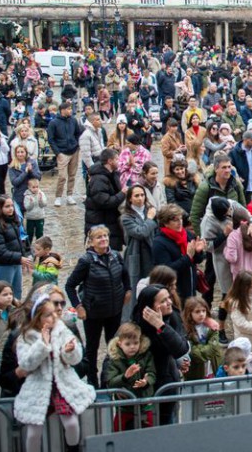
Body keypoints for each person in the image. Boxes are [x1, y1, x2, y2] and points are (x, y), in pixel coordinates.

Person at [13, 294, 96, 452]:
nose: (54, 317)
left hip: (62, 384)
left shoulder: (62, 329)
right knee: (33, 432)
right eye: (48, 315)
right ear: (38, 318)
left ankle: (72, 449)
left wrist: (69, 351)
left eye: (53, 313)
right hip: (38, 386)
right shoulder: (27, 336)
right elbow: (25, 363)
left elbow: (76, 357)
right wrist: (42, 345)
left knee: (71, 424)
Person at [65, 225, 131, 387]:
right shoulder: (86, 261)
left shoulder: (115, 255)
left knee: (113, 345)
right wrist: (79, 306)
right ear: (92, 242)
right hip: (93, 312)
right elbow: (70, 285)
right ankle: (92, 380)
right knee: (92, 348)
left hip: (114, 310)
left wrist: (127, 291)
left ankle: (110, 376)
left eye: (105, 236)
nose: (103, 240)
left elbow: (125, 274)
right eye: (99, 237)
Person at [131, 285, 190, 424]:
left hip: (168, 384)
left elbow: (181, 348)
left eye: (168, 298)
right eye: (163, 301)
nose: (169, 302)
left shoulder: (173, 316)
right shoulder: (136, 326)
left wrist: (161, 325)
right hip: (146, 389)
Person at [103, 322, 157, 431]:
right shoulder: (115, 360)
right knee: (120, 431)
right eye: (128, 344)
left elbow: (151, 373)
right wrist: (125, 376)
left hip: (145, 403)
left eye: (136, 343)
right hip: (124, 407)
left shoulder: (146, 355)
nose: (132, 347)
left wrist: (146, 381)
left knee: (150, 431)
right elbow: (110, 381)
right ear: (120, 344)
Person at [153, 204, 207, 301]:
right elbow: (167, 270)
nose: (180, 222)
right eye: (175, 220)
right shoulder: (159, 243)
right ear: (165, 223)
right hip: (173, 291)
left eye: (181, 219)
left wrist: (198, 251)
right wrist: (188, 257)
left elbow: (197, 260)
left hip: (190, 285)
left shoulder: (187, 234)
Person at [0, 194, 31, 299]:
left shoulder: (13, 221)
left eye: (12, 206)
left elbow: (19, 242)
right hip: (3, 265)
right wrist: (20, 258)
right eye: (7, 206)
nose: (11, 209)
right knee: (5, 295)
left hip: (15, 262)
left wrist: (22, 257)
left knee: (17, 293)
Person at [121, 184, 158, 310]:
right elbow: (140, 233)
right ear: (130, 199)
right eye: (136, 195)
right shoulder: (126, 217)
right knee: (135, 284)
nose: (140, 198)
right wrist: (149, 219)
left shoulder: (150, 211)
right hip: (136, 254)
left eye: (142, 195)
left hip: (151, 252)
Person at [85, 148, 128, 250]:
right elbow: (104, 202)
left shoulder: (112, 174)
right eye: (117, 159)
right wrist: (122, 194)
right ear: (110, 161)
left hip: (110, 220)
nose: (120, 161)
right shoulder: (99, 179)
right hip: (100, 221)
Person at [47, 101, 83, 206]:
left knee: (72, 175)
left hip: (74, 151)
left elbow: (77, 133)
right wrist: (57, 152)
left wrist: (76, 145)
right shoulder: (54, 123)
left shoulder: (73, 120)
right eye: (68, 109)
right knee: (62, 176)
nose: (70, 111)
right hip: (62, 152)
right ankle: (58, 196)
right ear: (62, 110)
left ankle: (69, 195)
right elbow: (51, 139)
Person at [181, 296, 223, 380]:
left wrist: (201, 349)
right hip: (196, 372)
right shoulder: (185, 330)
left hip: (212, 368)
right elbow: (195, 354)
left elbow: (214, 348)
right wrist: (208, 348)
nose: (201, 314)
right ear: (190, 313)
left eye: (203, 311)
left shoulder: (212, 327)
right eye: (197, 312)